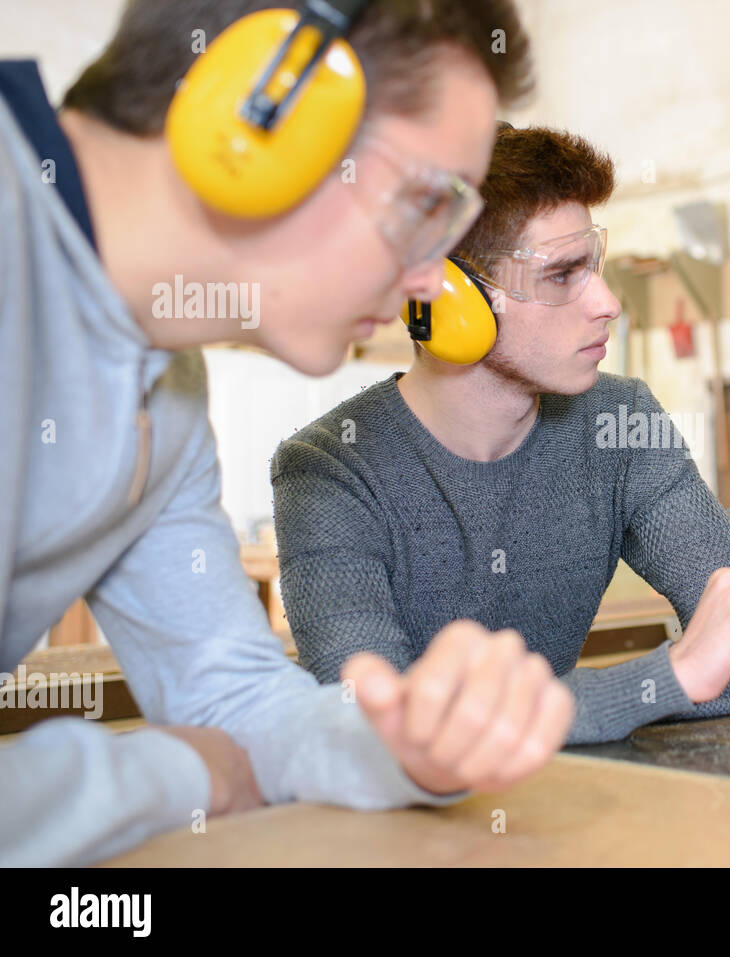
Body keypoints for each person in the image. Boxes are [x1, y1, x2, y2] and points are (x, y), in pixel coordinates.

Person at [0, 0, 576, 867]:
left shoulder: (167, 376)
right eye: (426, 205)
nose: (431, 282)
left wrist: (399, 746)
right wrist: (178, 774)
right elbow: (208, 748)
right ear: (258, 116)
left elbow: (227, 695)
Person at [271, 124, 730, 744]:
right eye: (562, 275)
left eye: (595, 267)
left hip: (559, 807)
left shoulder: (620, 424)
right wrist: (675, 674)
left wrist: (608, 699)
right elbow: (386, 726)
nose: (607, 302)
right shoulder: (328, 471)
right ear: (448, 302)